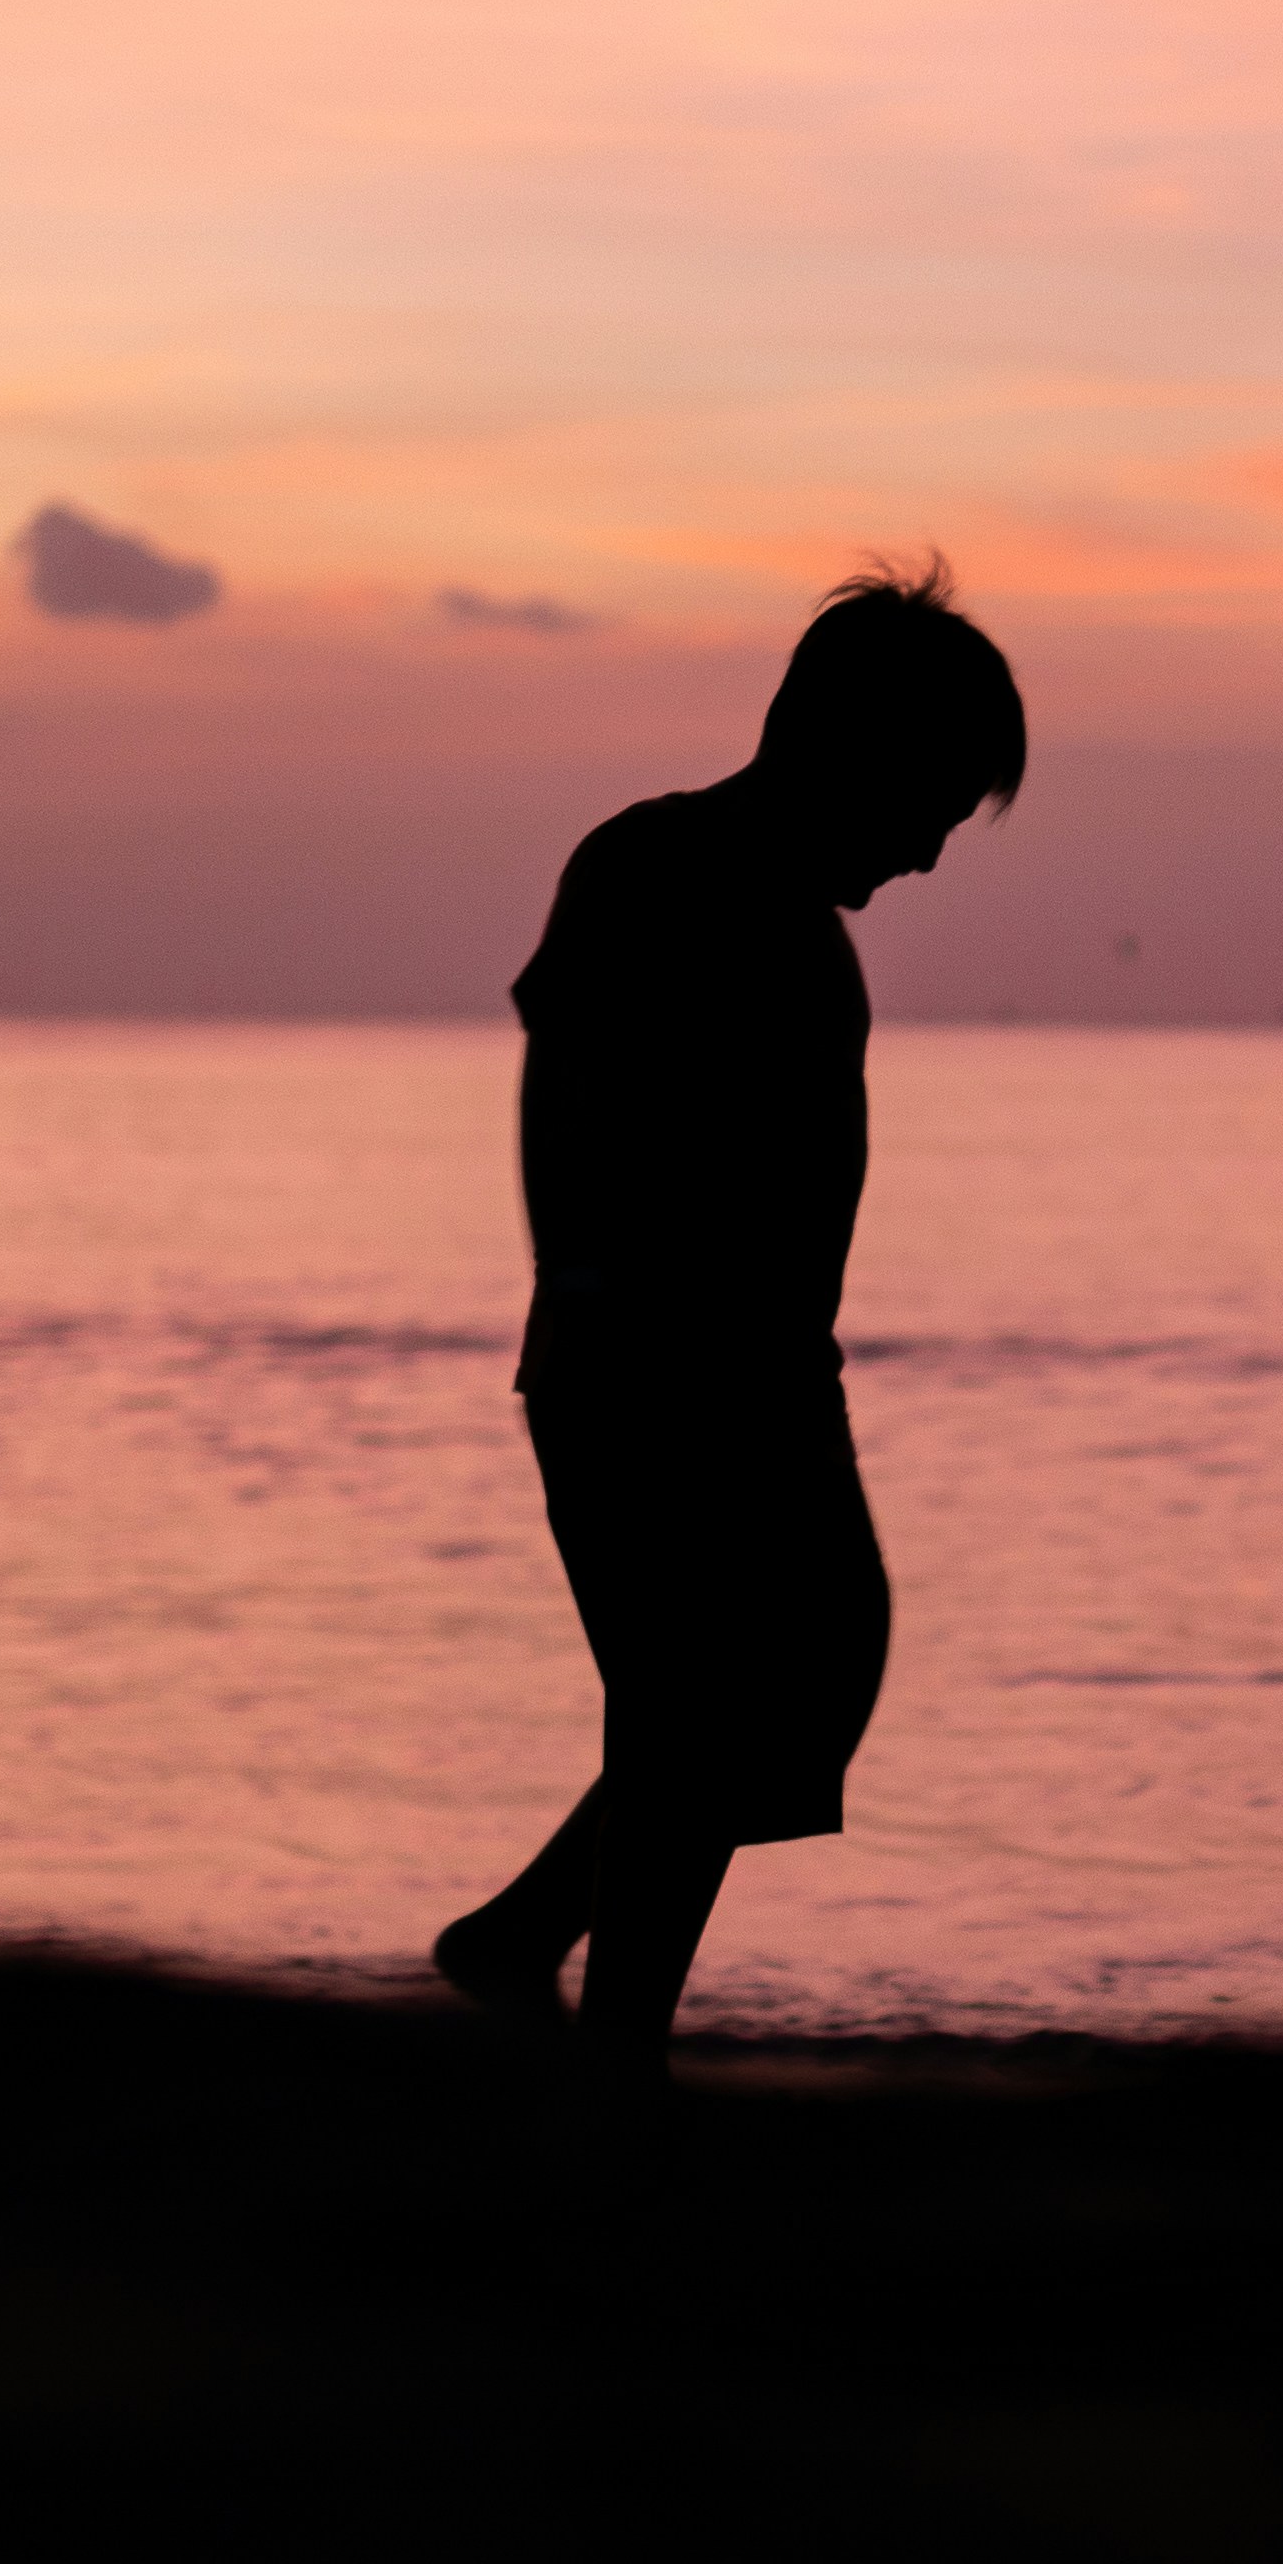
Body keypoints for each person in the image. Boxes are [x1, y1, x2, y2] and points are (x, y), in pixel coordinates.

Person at [436, 559, 1023, 2062]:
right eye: (932, 810)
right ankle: (610, 2030)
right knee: (694, 1708)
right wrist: (592, 1294)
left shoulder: (796, 922)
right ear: (853, 752)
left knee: (802, 1671)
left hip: (762, 1365)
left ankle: (523, 1939)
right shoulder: (660, 865)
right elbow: (562, 1095)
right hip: (650, 1355)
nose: (933, 859)